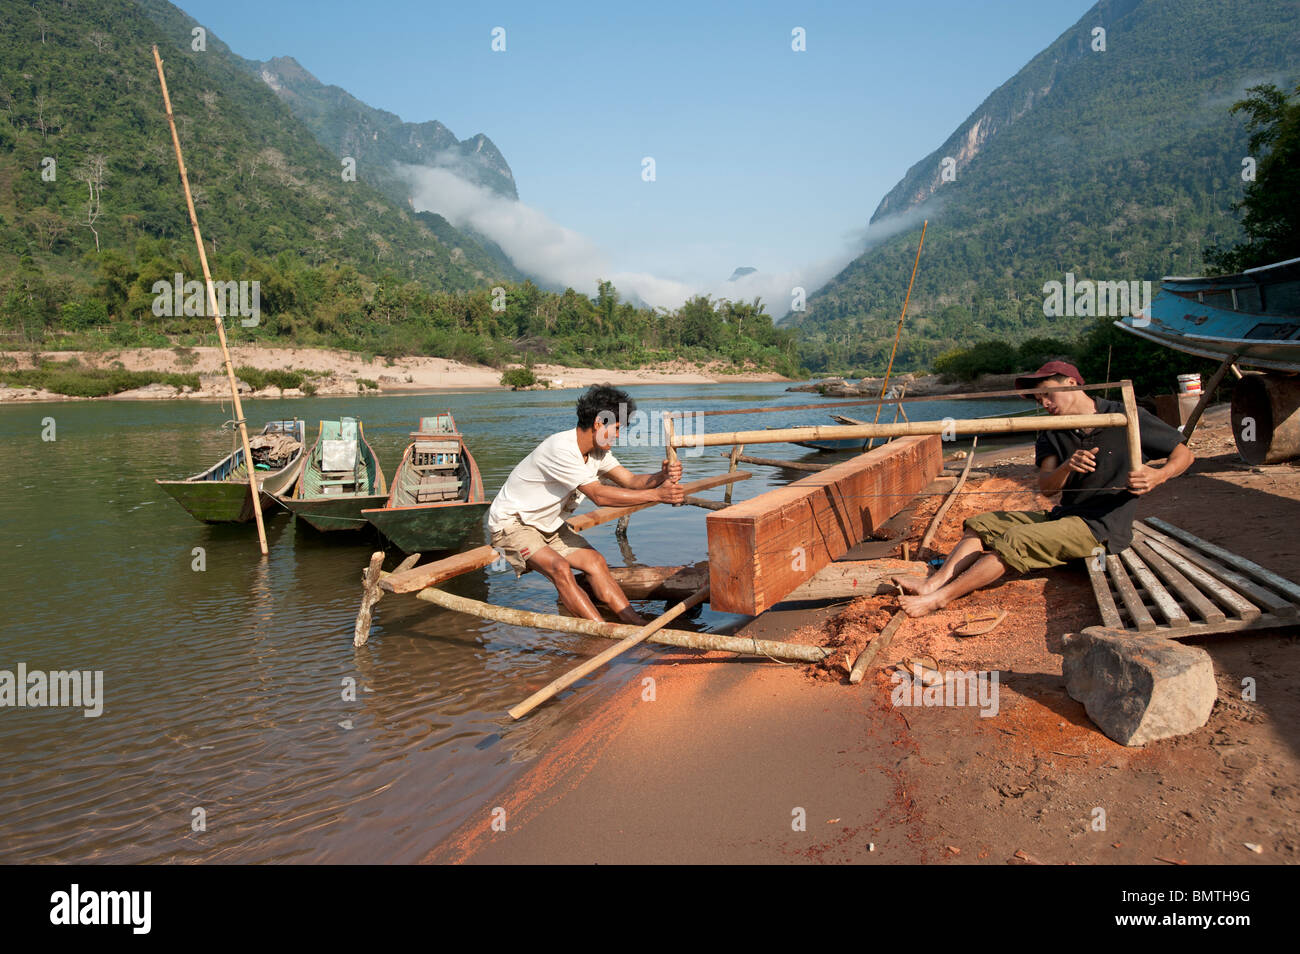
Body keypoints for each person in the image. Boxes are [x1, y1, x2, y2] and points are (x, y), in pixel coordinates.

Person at [893, 360, 1195, 618]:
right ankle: (933, 584)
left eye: (1048, 395)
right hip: (1064, 517)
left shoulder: (1126, 415)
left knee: (1015, 539)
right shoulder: (1051, 431)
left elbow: (1184, 453)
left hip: (1101, 529)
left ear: (1072, 383)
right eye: (1039, 401)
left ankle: (939, 599)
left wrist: (1158, 475)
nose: (1045, 404)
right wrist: (1067, 467)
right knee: (982, 524)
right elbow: (1047, 487)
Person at [488, 384, 684, 624]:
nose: (619, 435)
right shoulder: (561, 448)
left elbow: (631, 481)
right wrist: (657, 495)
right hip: (512, 524)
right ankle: (600, 631)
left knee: (595, 562)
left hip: (548, 526)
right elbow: (599, 495)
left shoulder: (597, 451)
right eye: (618, 428)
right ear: (599, 424)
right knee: (559, 568)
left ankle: (635, 623)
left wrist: (660, 477)